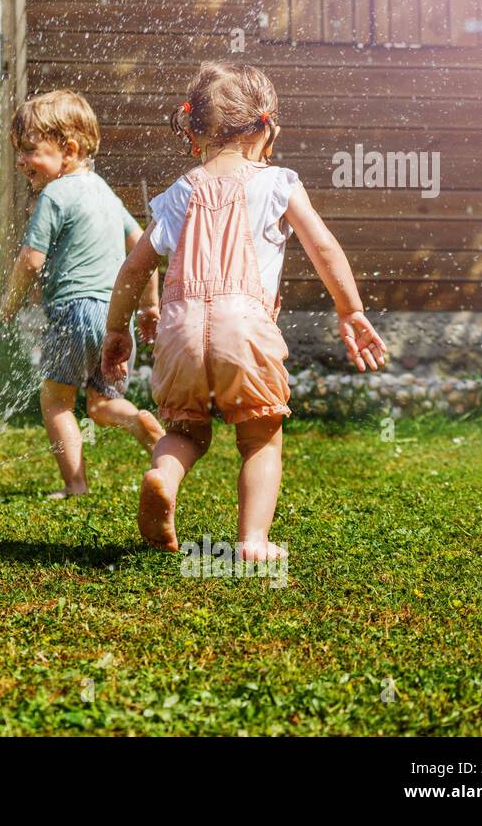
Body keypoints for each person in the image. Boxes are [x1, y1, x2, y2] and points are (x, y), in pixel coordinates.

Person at [102, 61, 389, 559]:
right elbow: (322, 247)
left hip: (180, 332)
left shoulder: (178, 193)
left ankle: (163, 475)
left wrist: (118, 329)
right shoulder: (278, 182)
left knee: (184, 430)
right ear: (267, 126)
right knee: (260, 438)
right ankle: (253, 542)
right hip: (246, 329)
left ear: (194, 134)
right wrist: (351, 309)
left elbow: (133, 269)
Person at [0, 90, 164, 499]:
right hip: (113, 320)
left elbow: (31, 260)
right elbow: (144, 246)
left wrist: (9, 303)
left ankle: (75, 485)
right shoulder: (105, 193)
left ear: (69, 150)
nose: (22, 162)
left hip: (73, 313)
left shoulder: (54, 195)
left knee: (56, 400)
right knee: (101, 405)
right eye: (19, 152)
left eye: (30, 151)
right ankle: (135, 421)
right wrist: (149, 307)